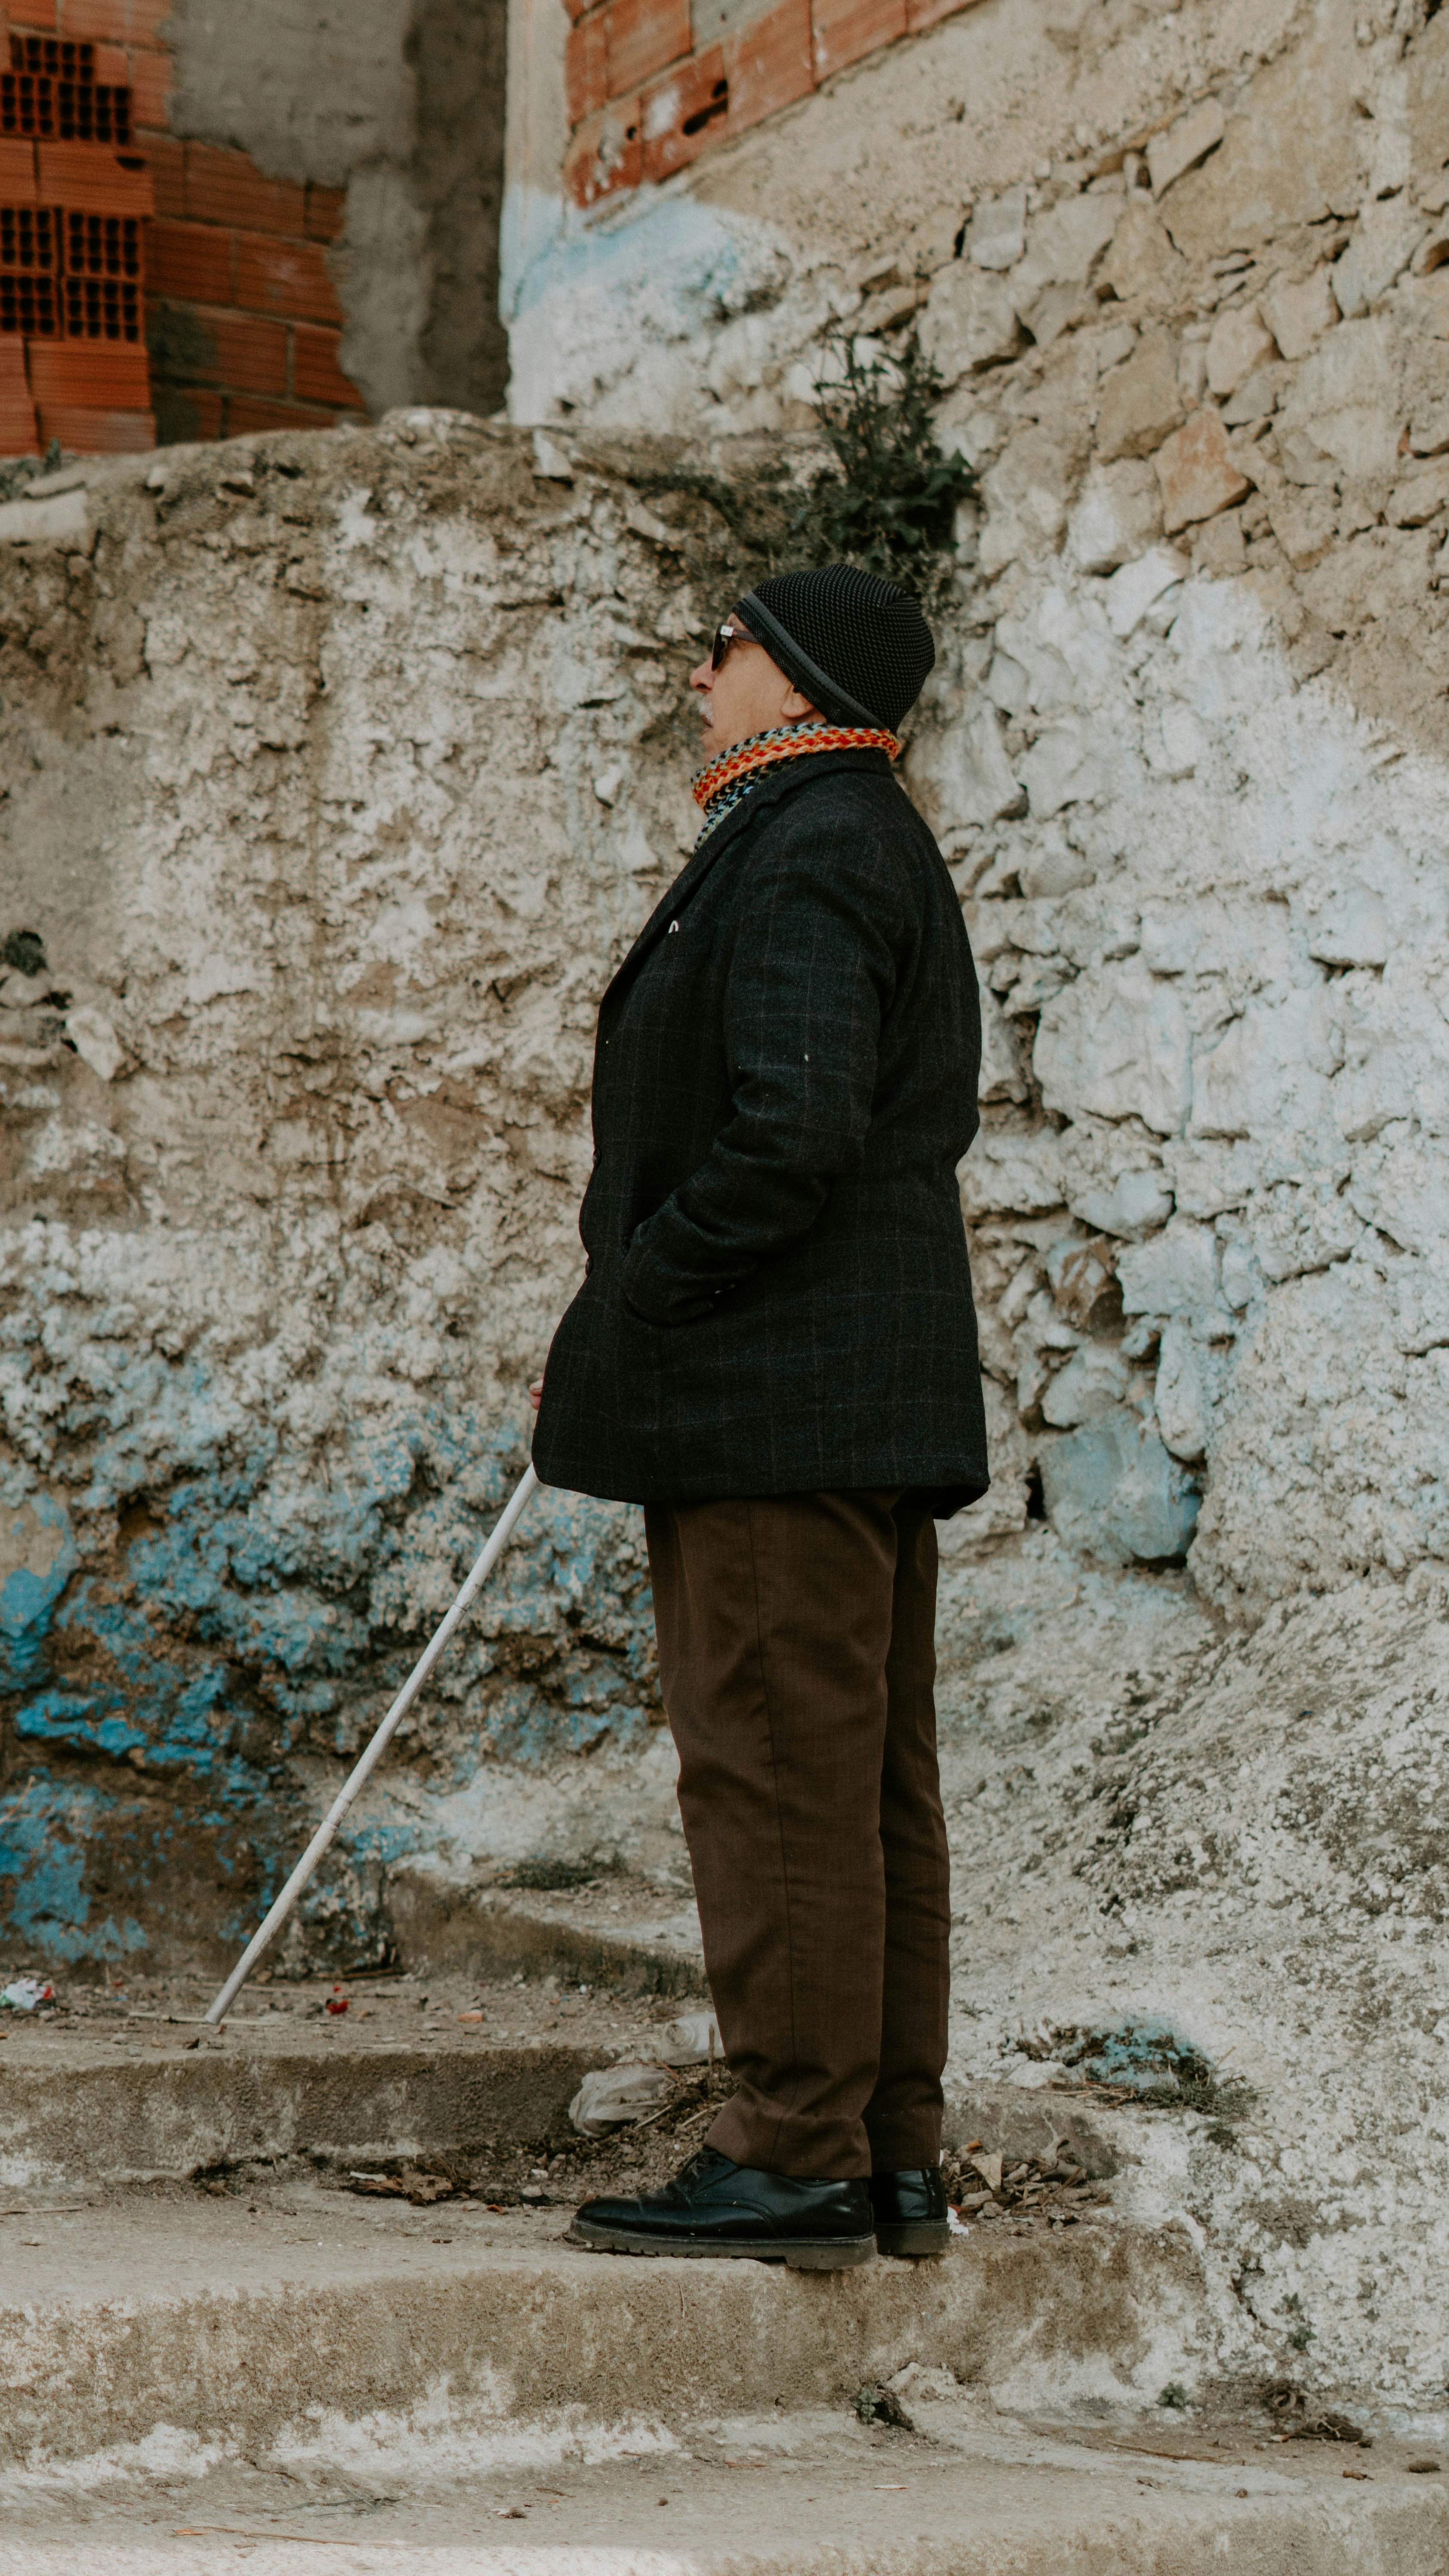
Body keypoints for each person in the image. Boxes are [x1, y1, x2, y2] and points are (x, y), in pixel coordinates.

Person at [530, 563, 986, 2269]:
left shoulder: (808, 845)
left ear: (791, 681)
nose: (699, 670)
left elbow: (787, 1129)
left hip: (777, 1409)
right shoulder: (845, 836)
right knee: (860, 1783)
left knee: (777, 1772)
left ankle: (794, 2148)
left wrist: (630, 1300)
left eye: (720, 647)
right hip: (847, 1401)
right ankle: (884, 2154)